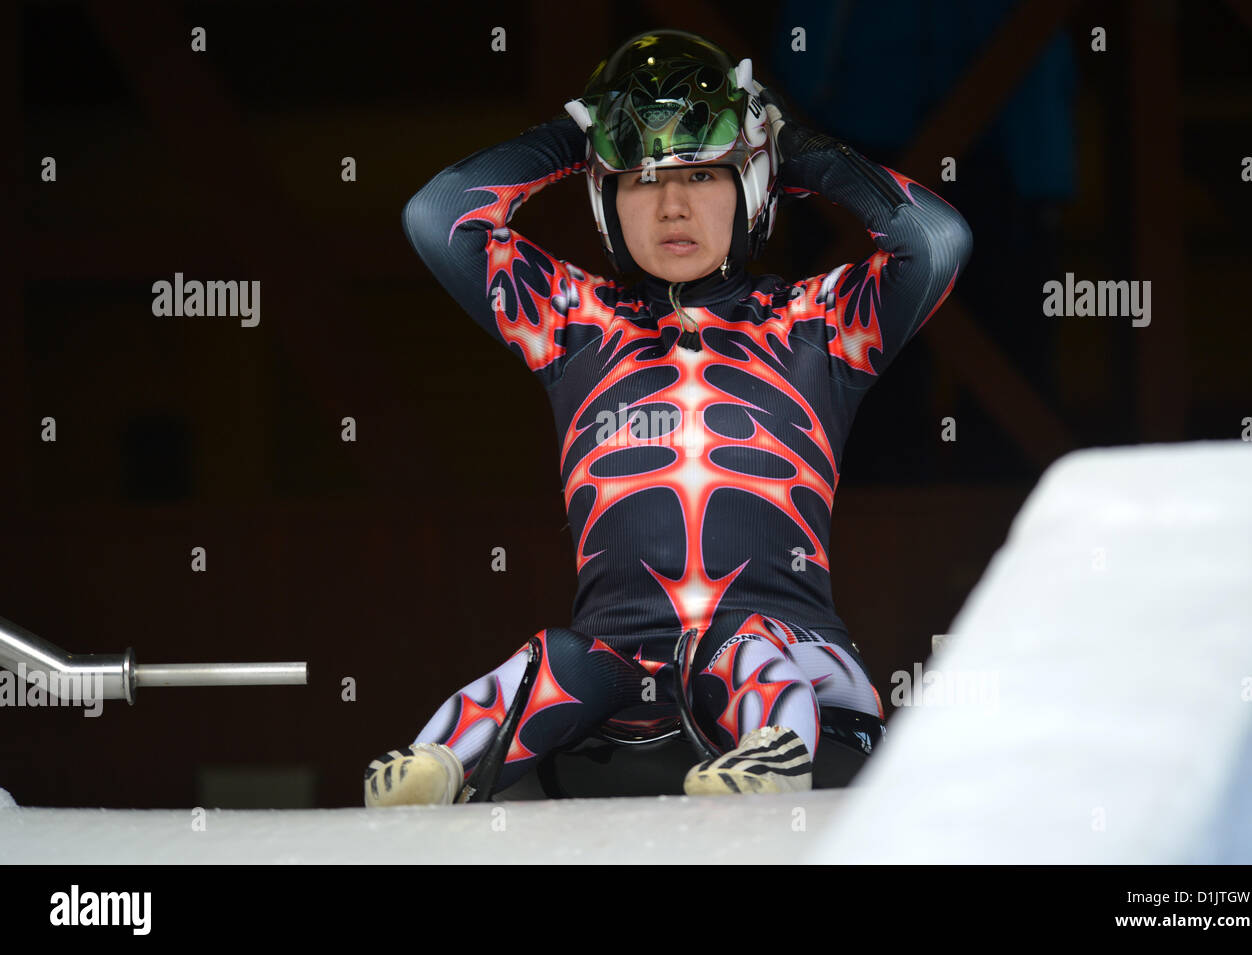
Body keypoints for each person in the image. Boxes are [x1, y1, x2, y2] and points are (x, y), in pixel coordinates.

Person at [364, 29, 972, 805]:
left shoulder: (816, 325)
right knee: (555, 657)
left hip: (804, 670)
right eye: (641, 178)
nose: (674, 206)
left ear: (753, 185)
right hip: (620, 694)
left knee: (740, 641)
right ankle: (437, 764)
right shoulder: (576, 324)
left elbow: (934, 239)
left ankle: (770, 754)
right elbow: (440, 213)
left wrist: (792, 145)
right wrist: (578, 132)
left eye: (706, 174)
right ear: (606, 197)